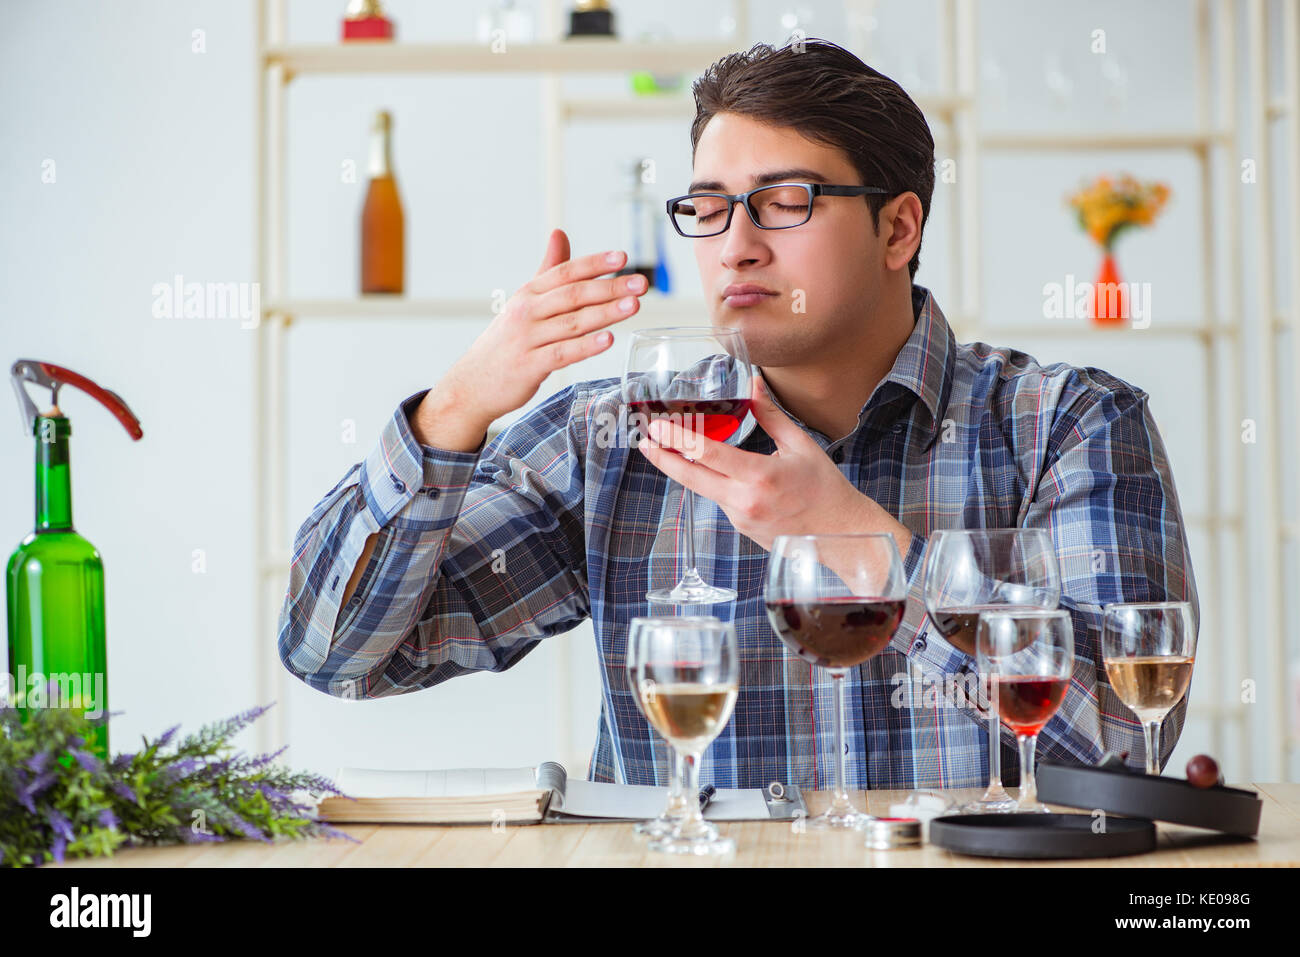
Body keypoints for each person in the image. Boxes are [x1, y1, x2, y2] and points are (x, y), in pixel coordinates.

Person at [277, 38, 1198, 790]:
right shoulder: (618, 439)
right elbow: (340, 655)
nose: (736, 246)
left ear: (897, 229)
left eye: (784, 202)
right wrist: (454, 409)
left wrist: (848, 537)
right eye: (710, 208)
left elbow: (1121, 747)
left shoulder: (1068, 425)